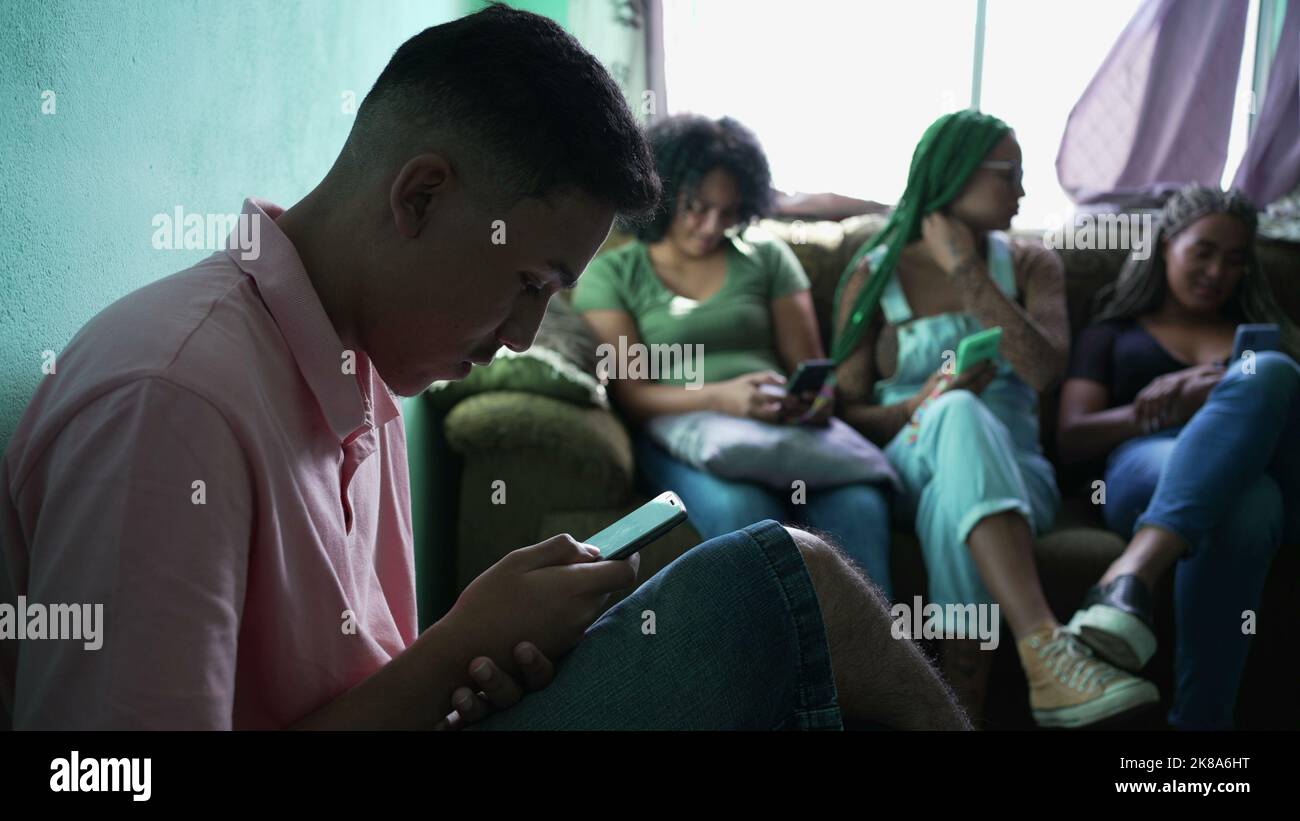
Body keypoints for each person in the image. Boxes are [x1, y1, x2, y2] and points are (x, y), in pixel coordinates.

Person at [0, 4, 966, 731]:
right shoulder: (172, 402)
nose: (518, 334)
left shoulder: (359, 365)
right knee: (792, 581)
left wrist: (464, 657)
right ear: (419, 194)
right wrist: (457, 647)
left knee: (790, 625)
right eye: (528, 280)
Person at [832, 109, 1157, 728]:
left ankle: (962, 707)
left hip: (1016, 475)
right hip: (909, 464)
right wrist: (916, 402)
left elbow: (1042, 371)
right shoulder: (874, 274)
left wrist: (966, 272)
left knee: (955, 497)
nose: (1023, 190)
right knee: (952, 411)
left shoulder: (1033, 265)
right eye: (1009, 173)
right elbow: (846, 415)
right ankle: (1045, 652)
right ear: (954, 174)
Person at [574, 114, 893, 591]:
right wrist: (721, 398)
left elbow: (814, 373)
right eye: (696, 207)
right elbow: (634, 397)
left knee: (860, 505)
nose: (710, 226)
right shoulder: (613, 274)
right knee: (740, 510)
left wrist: (809, 402)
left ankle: (868, 664)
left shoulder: (767, 258)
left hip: (777, 426)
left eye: (728, 211)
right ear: (664, 193)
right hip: (682, 431)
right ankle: (775, 662)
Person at [1057, 184, 1300, 730]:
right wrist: (1169, 408)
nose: (1218, 272)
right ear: (1167, 244)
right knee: (1251, 504)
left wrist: (1219, 382)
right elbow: (1072, 435)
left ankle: (1129, 577)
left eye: (1235, 260)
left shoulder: (1265, 340)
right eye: (1204, 252)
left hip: (1269, 465)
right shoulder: (1112, 333)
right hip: (1144, 466)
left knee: (1274, 371)